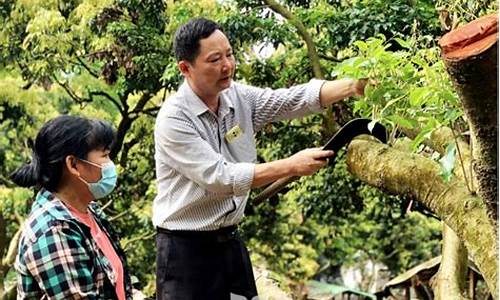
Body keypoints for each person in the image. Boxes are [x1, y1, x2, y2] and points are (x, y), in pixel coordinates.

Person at [153, 17, 367, 300]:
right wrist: (291, 165)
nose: (227, 65)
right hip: (186, 251)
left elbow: (291, 100)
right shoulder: (174, 118)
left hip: (229, 241)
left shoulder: (237, 96)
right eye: (215, 59)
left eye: (229, 54)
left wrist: (352, 86)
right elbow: (221, 178)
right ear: (186, 68)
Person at [11, 115, 133, 299]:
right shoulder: (54, 232)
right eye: (105, 155)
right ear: (73, 164)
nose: (111, 165)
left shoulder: (89, 211)